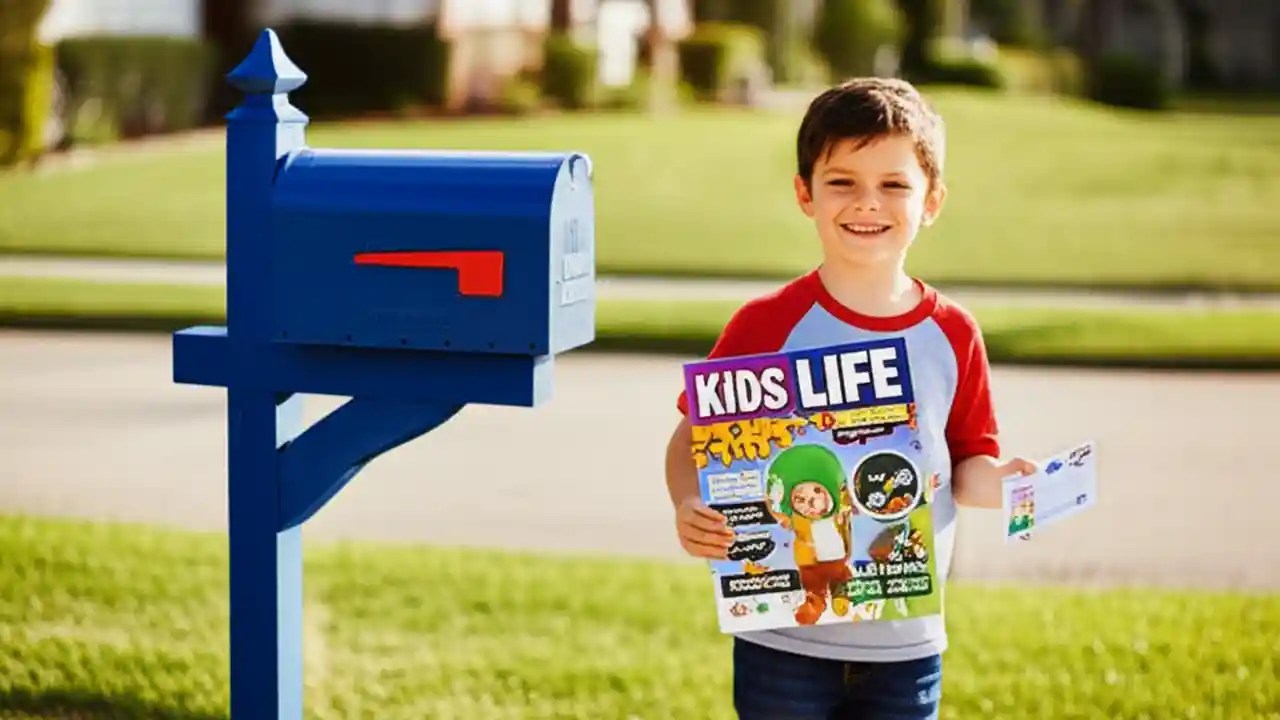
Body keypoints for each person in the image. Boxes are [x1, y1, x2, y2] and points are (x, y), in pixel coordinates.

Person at [663, 77, 1039, 720]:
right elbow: (693, 441)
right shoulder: (766, 325)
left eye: (895, 184)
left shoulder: (952, 334)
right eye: (843, 181)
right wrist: (688, 503)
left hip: (906, 643)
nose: (869, 203)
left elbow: (968, 464)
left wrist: (1006, 483)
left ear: (932, 201)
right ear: (805, 192)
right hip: (781, 638)